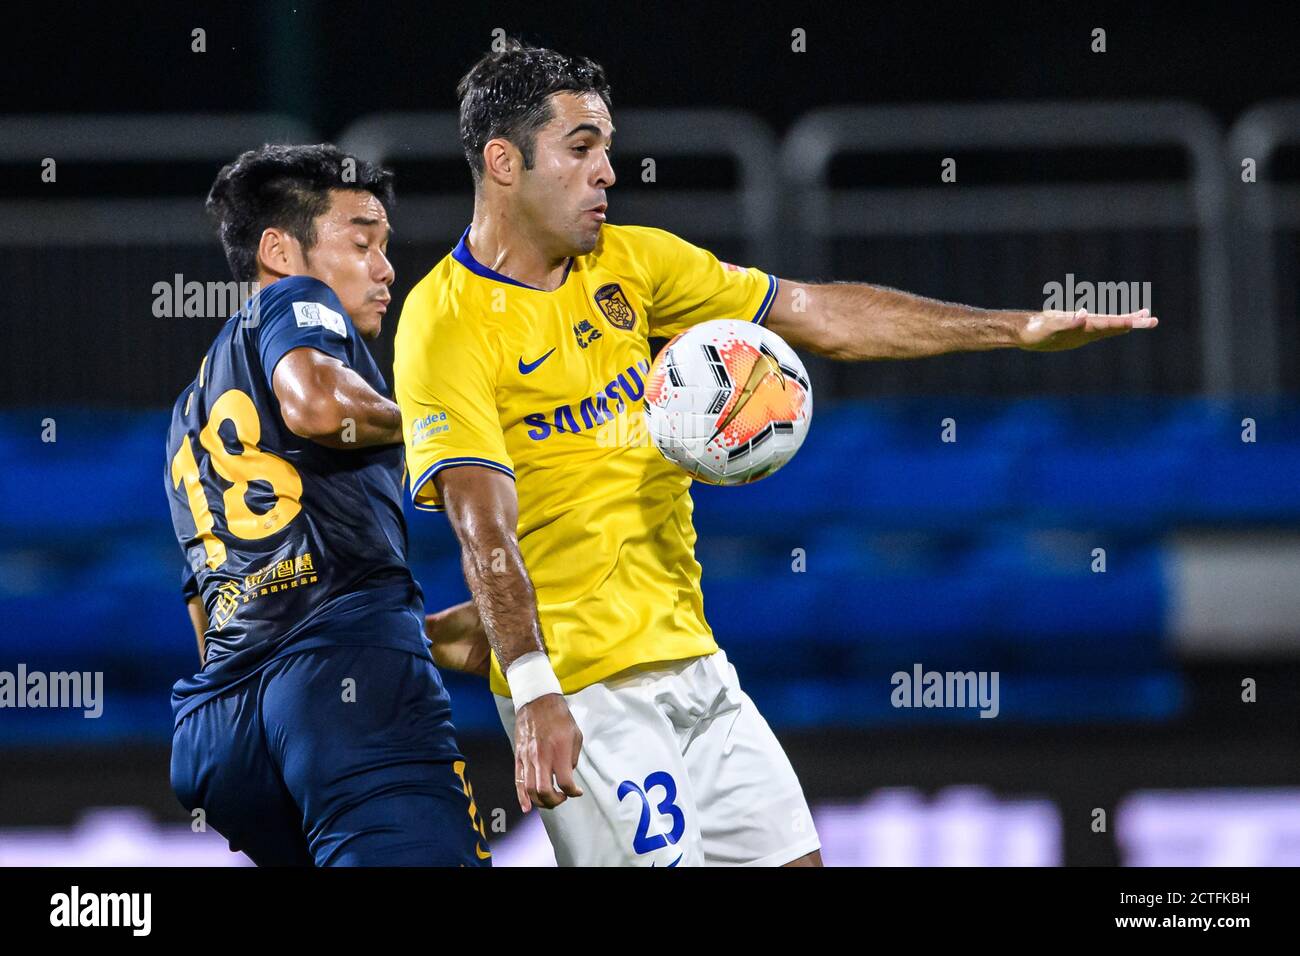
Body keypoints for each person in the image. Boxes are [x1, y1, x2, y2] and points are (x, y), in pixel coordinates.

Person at [393, 41, 1156, 867]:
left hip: (694, 662)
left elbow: (817, 315)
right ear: (504, 162)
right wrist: (536, 691)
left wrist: (1012, 329)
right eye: (582, 149)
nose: (608, 171)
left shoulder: (636, 264)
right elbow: (482, 524)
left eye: (607, 147)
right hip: (585, 693)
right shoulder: (446, 323)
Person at [165, 144, 490, 866]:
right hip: (341, 691)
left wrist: (422, 636)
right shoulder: (295, 298)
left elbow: (207, 610)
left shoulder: (188, 415)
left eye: (385, 246)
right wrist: (445, 420)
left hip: (220, 733)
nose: (385, 268)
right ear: (280, 252)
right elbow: (314, 404)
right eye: (362, 240)